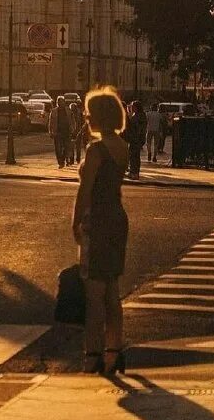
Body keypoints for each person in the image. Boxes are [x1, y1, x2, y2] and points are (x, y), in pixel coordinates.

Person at [72, 86, 128, 374]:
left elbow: (85, 191)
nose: (86, 117)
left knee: (93, 294)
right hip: (117, 220)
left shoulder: (96, 150)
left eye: (88, 113)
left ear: (99, 116)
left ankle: (92, 354)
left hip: (98, 221)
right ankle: (114, 350)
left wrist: (75, 222)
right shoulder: (121, 147)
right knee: (112, 291)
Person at [125, 100, 147, 179]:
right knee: (135, 156)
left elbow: (137, 128)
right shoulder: (140, 115)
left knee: (133, 156)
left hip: (135, 139)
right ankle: (134, 172)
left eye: (133, 106)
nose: (131, 107)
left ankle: (133, 172)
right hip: (137, 139)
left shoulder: (137, 116)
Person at [49, 95, 72, 169]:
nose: (60, 103)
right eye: (59, 102)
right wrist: (50, 131)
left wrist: (73, 128)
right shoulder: (54, 111)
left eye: (61, 102)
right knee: (58, 148)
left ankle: (63, 159)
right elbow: (50, 122)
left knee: (66, 147)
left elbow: (72, 120)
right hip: (57, 132)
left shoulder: (68, 110)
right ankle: (60, 162)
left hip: (66, 131)